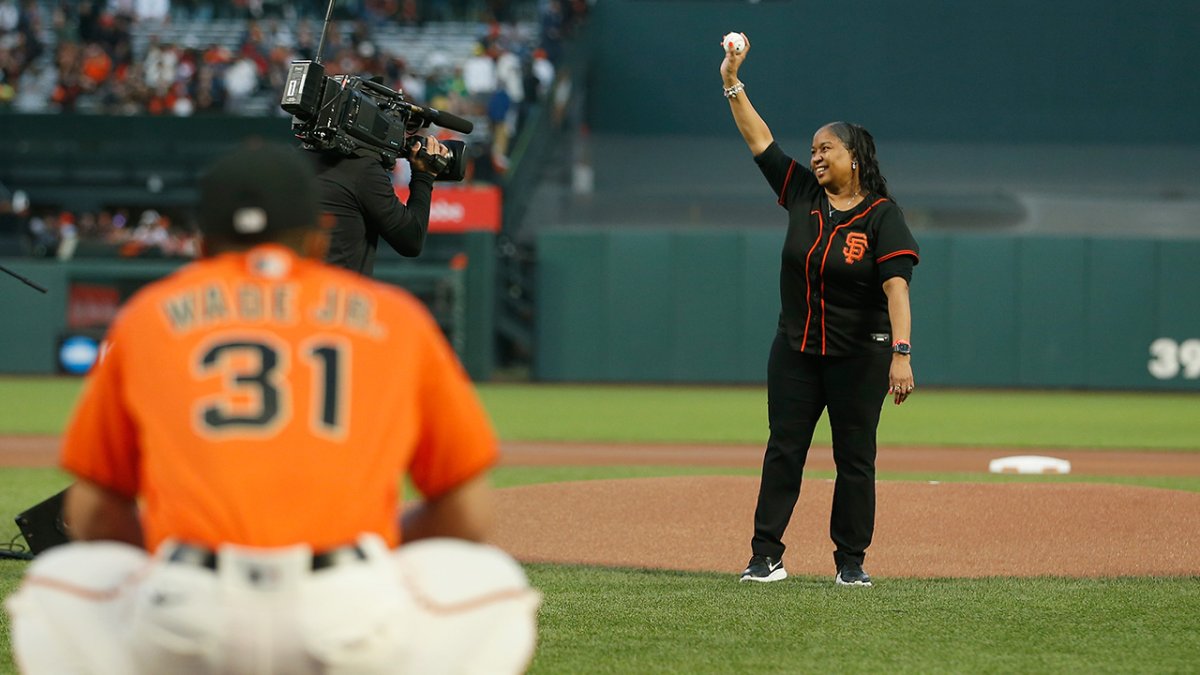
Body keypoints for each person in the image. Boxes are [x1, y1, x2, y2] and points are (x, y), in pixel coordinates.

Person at [4, 142, 540, 674]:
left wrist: (165, 559)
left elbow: (91, 513)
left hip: (190, 614)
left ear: (204, 242)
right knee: (491, 584)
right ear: (315, 236)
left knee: (57, 589)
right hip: (343, 612)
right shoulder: (395, 320)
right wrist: (378, 551)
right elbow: (469, 511)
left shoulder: (146, 318)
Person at [721, 34, 920, 587]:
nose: (815, 155)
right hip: (796, 350)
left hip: (860, 355)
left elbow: (897, 291)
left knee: (855, 460)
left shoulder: (883, 217)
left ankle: (850, 563)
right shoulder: (803, 194)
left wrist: (900, 354)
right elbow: (759, 140)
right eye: (812, 149)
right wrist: (732, 82)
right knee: (784, 450)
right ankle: (765, 556)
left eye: (825, 148)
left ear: (853, 157)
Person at [312, 133, 453, 276]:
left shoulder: (296, 159)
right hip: (338, 294)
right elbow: (411, 240)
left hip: (295, 289)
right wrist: (424, 176)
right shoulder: (361, 168)